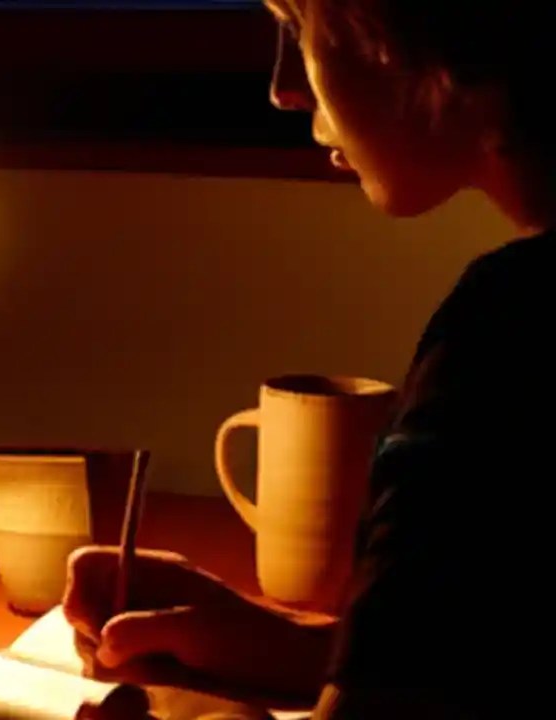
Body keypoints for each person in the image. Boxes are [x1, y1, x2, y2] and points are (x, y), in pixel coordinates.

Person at [63, 1, 554, 718]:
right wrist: (285, 644)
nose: (283, 88)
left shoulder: (515, 333)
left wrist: (189, 711)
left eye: (297, 24)